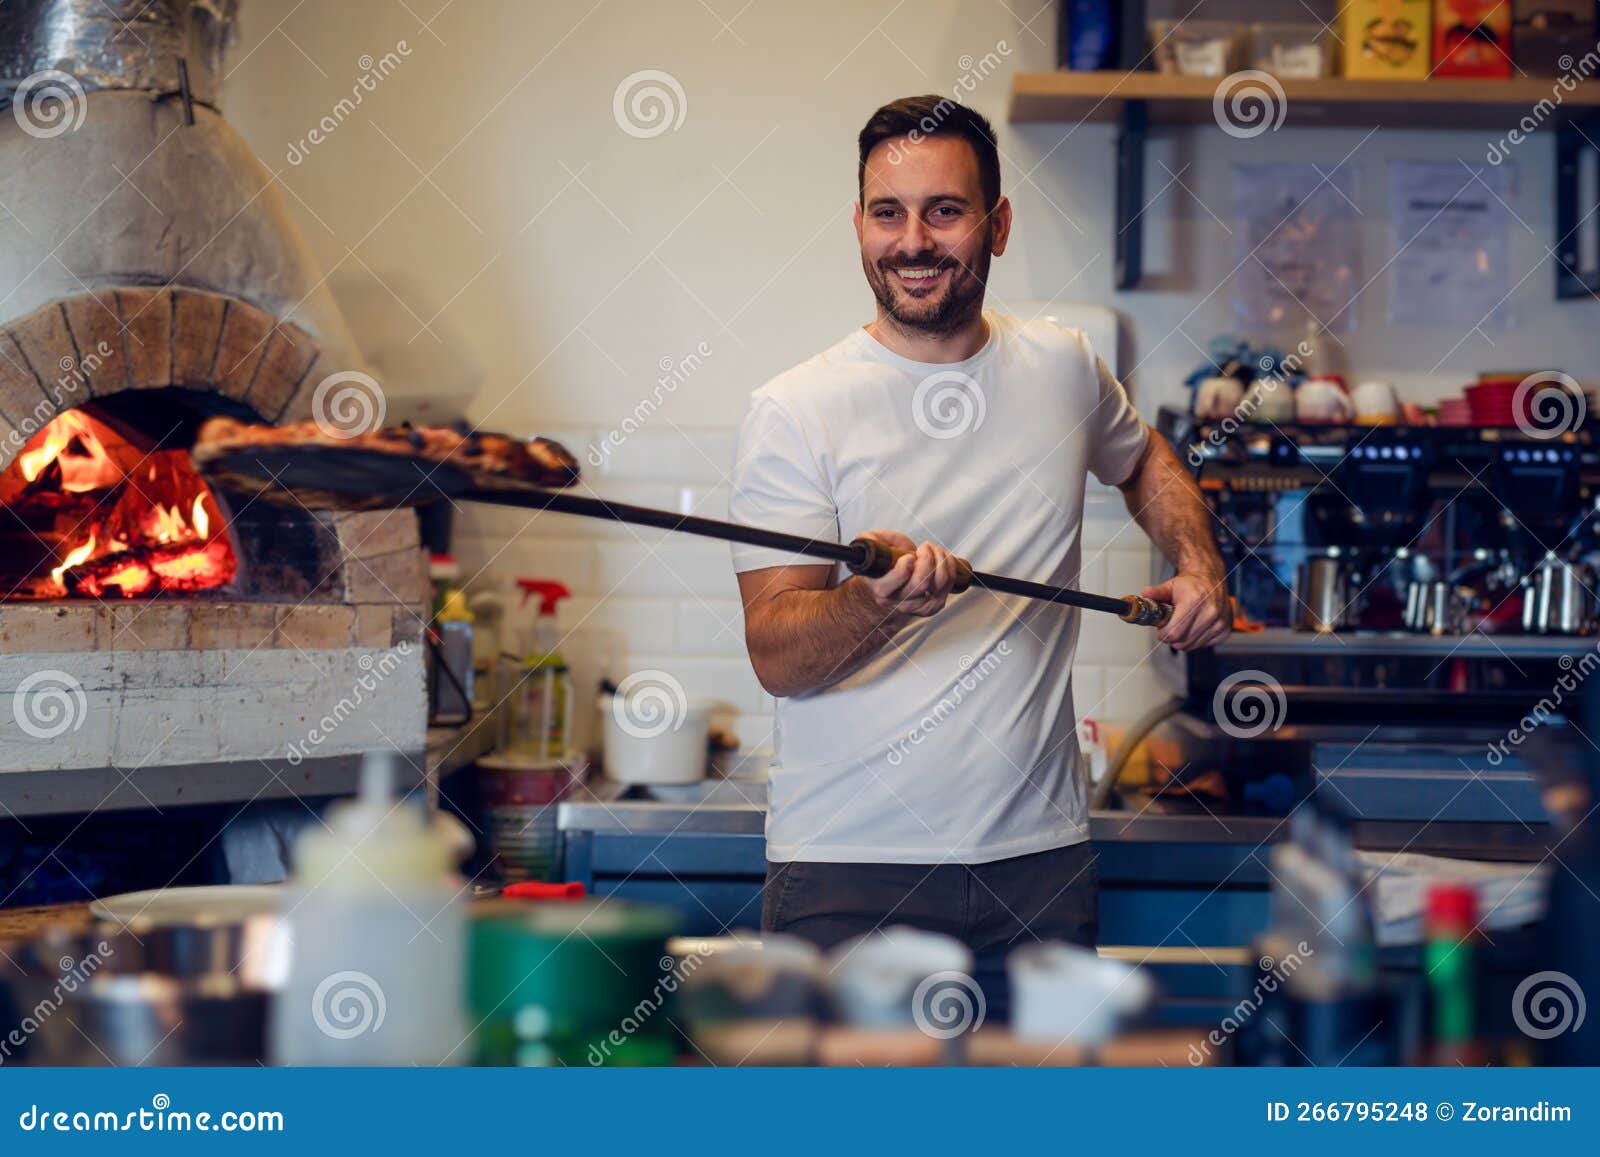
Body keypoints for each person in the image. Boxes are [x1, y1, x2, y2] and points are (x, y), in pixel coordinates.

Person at [728, 94, 1229, 1020]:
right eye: (888, 212)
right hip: (848, 872)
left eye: (944, 210)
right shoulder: (796, 408)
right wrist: (877, 604)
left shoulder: (1063, 367)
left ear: (997, 225)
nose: (913, 240)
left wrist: (1198, 563)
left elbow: (1147, 459)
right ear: (859, 225)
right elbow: (777, 651)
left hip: (1036, 869)